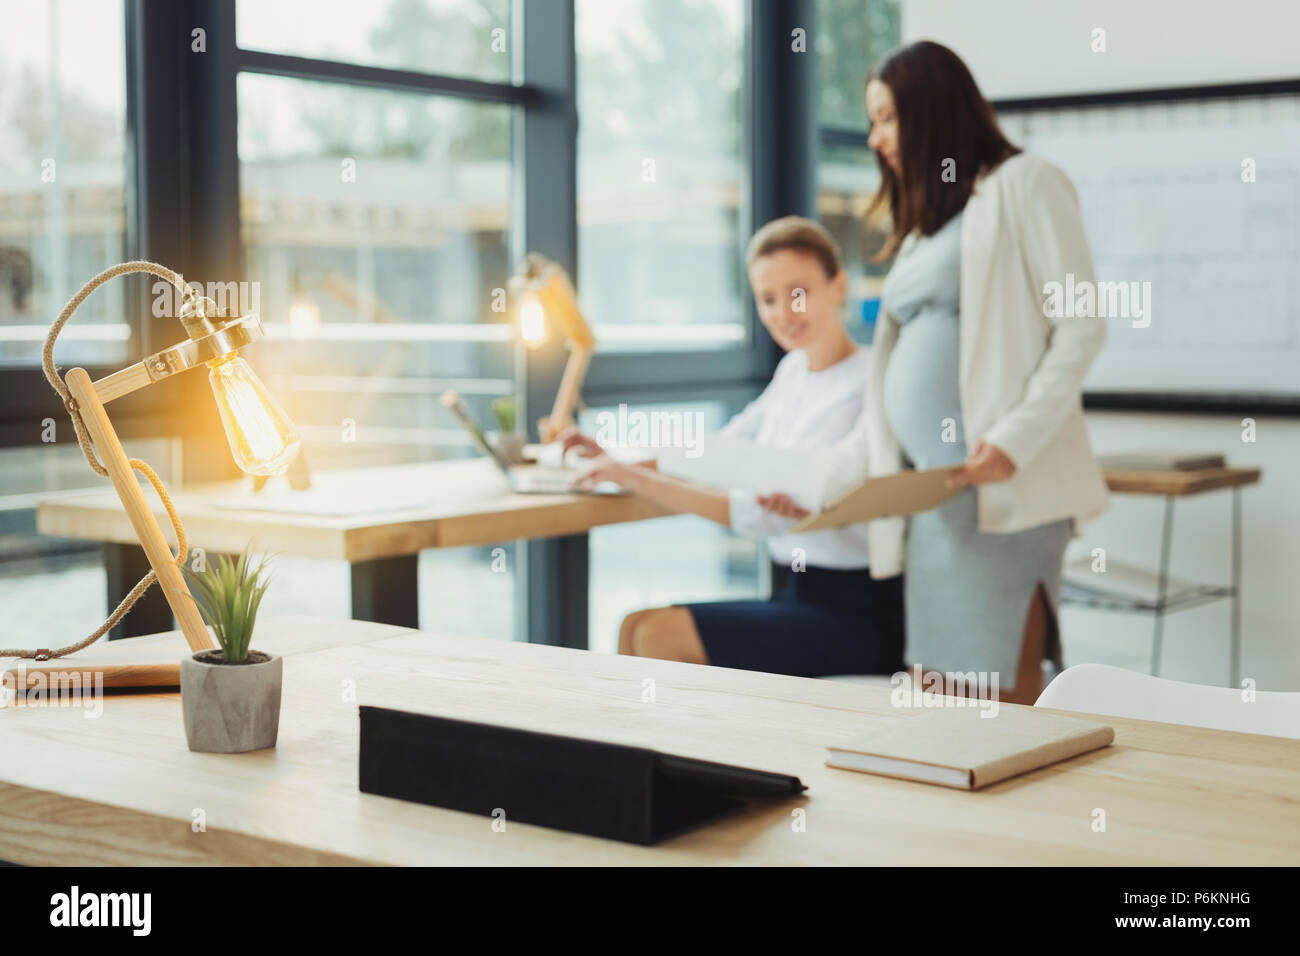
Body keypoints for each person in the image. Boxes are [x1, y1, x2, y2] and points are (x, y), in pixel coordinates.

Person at [759, 41, 1109, 705]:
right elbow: (886, 413)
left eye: (887, 117)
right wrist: (814, 489)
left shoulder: (1025, 185)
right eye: (873, 121)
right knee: (939, 704)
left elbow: (1083, 325)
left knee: (1001, 706)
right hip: (935, 510)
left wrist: (1011, 440)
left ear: (934, 110)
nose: (875, 137)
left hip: (1002, 505)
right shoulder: (926, 231)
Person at [561, 217, 904, 678]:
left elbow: (756, 512)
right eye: (768, 299)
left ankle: (680, 751)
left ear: (838, 286)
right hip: (796, 593)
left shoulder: (871, 382)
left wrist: (632, 477)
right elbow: (720, 450)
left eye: (797, 292)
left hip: (858, 610)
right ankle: (642, 752)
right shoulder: (793, 373)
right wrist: (614, 459)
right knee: (634, 625)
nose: (783, 312)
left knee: (655, 634)